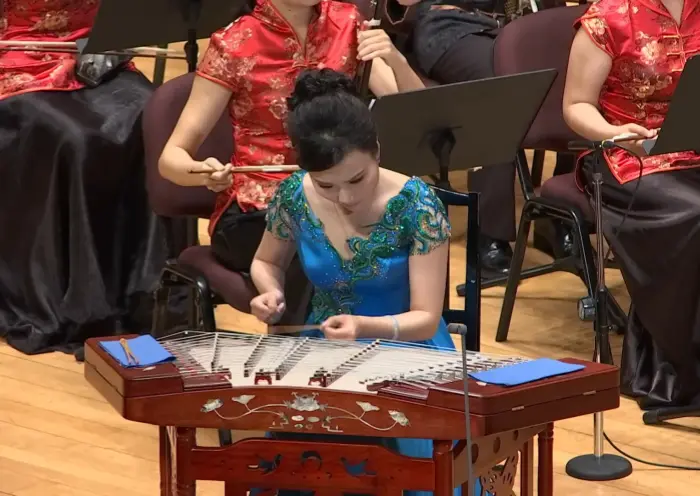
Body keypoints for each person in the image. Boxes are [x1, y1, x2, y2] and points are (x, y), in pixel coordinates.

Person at [248, 68, 483, 496]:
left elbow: (426, 318)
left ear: (376, 151)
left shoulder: (417, 205)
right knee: (298, 466)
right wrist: (271, 290)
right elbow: (266, 261)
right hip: (324, 351)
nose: (346, 197)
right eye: (326, 185)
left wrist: (363, 327)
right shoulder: (293, 196)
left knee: (412, 471)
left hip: (407, 348)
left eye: (357, 179)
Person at [158, 0, 424, 324]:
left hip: (342, 195)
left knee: (407, 228)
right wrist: (204, 173)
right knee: (318, 244)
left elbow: (416, 116)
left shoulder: (347, 22)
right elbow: (171, 158)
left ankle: (387, 344)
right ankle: (303, 349)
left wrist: (394, 58)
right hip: (258, 210)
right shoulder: (234, 44)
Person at [0, 1, 168, 358]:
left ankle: (150, 289)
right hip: (19, 58)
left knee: (155, 116)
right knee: (76, 139)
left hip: (93, 56)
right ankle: (77, 299)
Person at [563, 0, 700, 410]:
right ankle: (679, 365)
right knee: (694, 215)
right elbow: (576, 105)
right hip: (629, 153)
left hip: (693, 150)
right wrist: (614, 132)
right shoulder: (607, 17)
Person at [380, 0, 518, 276]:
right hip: (451, 25)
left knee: (570, 65)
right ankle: (490, 231)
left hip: (518, 24)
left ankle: (563, 212)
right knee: (499, 84)